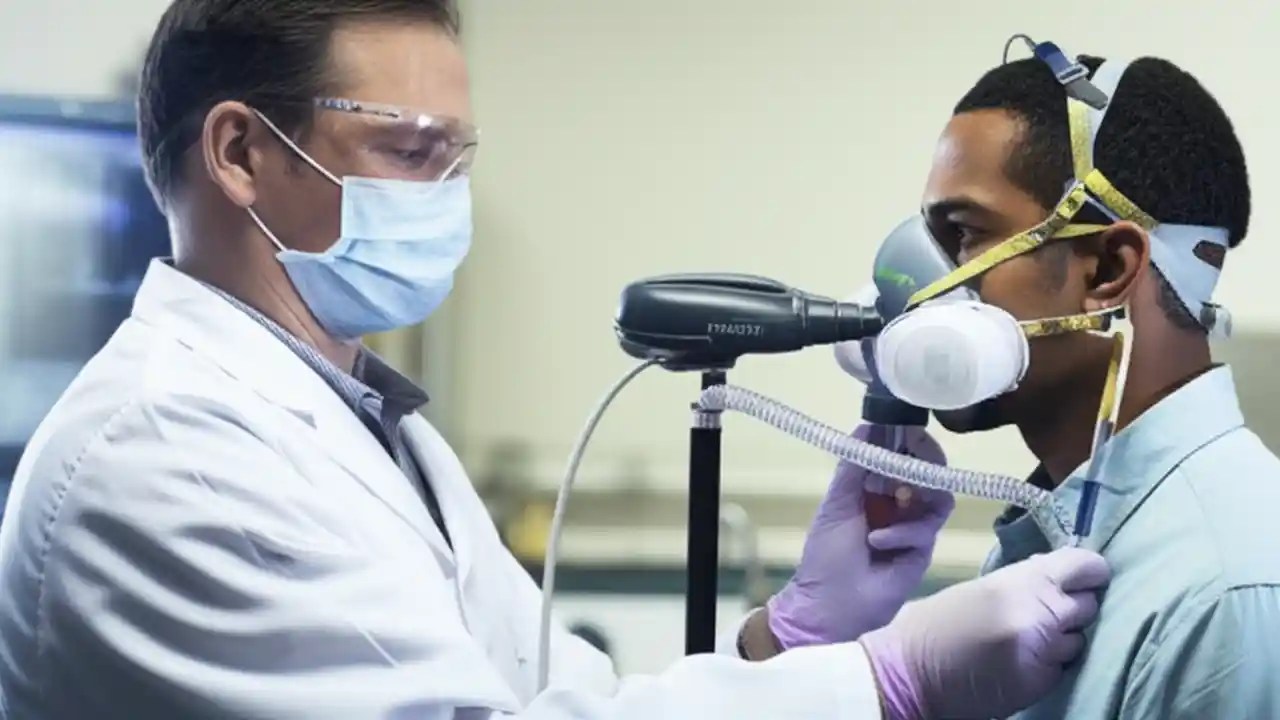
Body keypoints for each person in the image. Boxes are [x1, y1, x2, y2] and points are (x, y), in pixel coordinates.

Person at [0, 3, 1110, 718]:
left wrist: (789, 636)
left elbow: (566, 698)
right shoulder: (165, 453)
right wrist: (885, 679)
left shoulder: (365, 426)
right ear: (241, 151)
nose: (446, 198)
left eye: (458, 157)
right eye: (409, 151)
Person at [910, 49, 1280, 718]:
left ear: (1108, 270)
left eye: (962, 235)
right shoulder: (1058, 540)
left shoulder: (1225, 591)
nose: (918, 287)